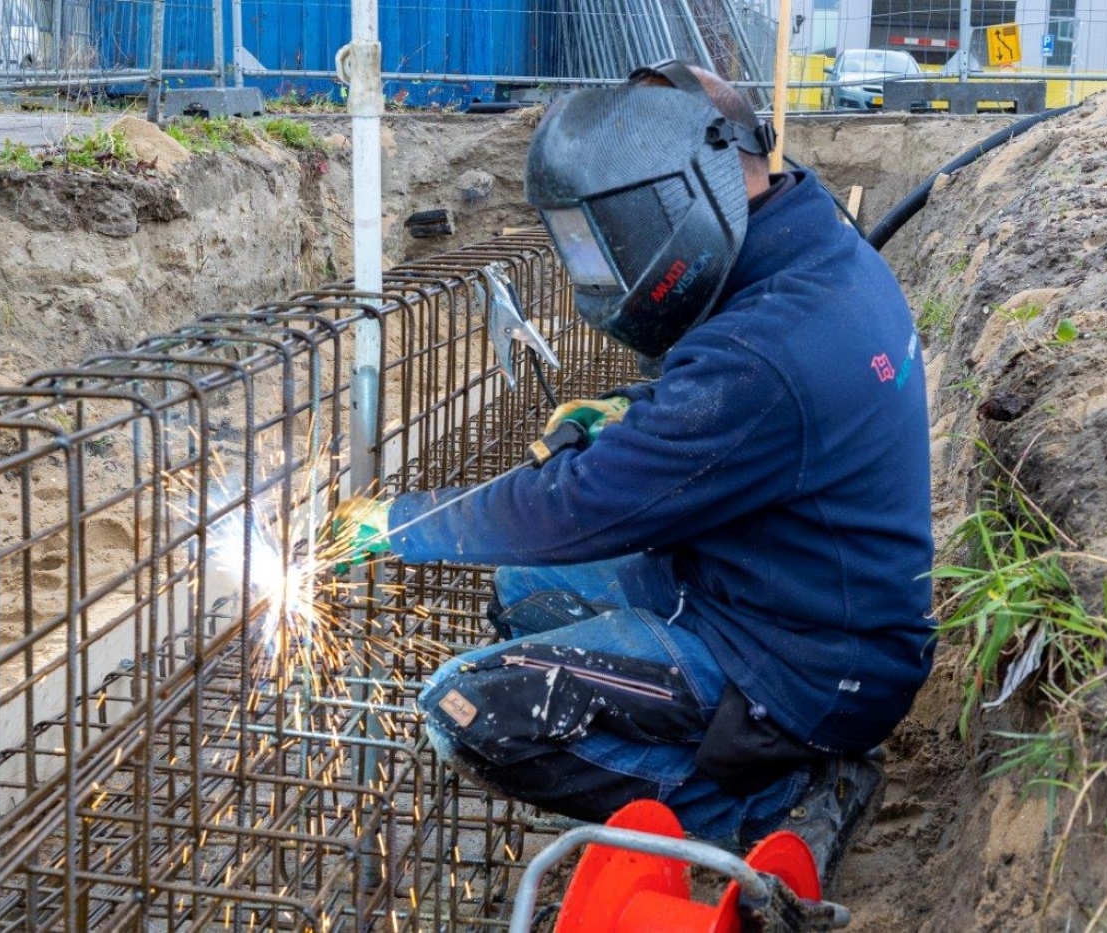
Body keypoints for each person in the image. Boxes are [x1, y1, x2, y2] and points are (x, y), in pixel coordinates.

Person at [326, 60, 934, 885]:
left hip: (805, 667)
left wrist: (400, 522)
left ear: (674, 198)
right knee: (523, 590)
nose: (599, 273)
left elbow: (579, 506)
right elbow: (734, 410)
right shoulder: (807, 243)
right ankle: (721, 757)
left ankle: (776, 800)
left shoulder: (764, 351)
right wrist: (625, 409)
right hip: (776, 591)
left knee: (469, 707)